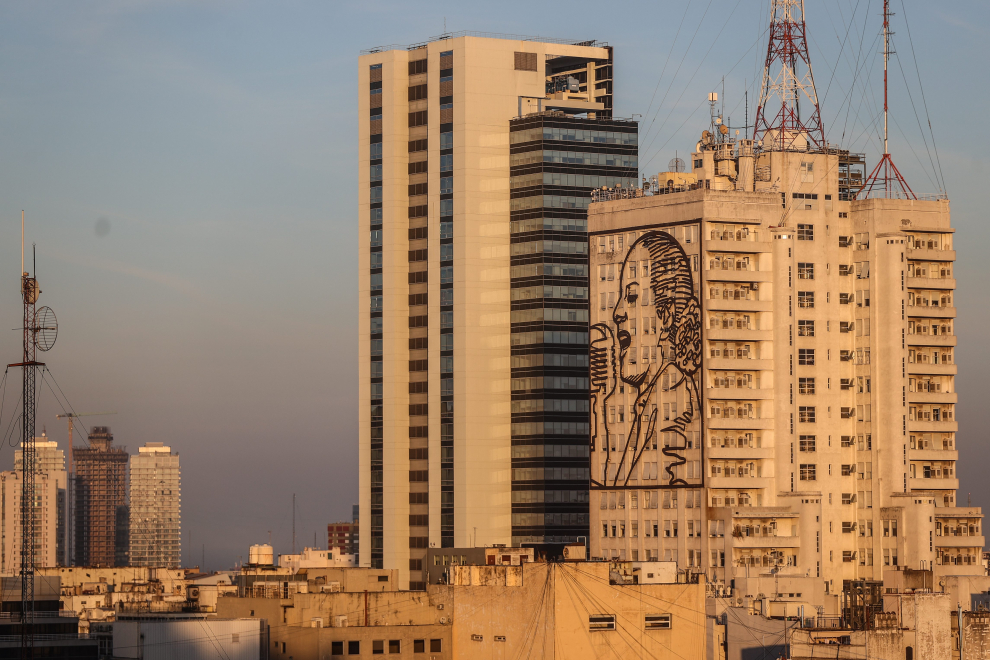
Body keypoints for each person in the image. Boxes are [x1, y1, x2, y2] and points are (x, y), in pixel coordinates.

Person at [591, 230, 701, 487]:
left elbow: (673, 484)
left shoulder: (675, 397)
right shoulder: (648, 398)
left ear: (667, 315)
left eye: (631, 298)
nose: (618, 313)